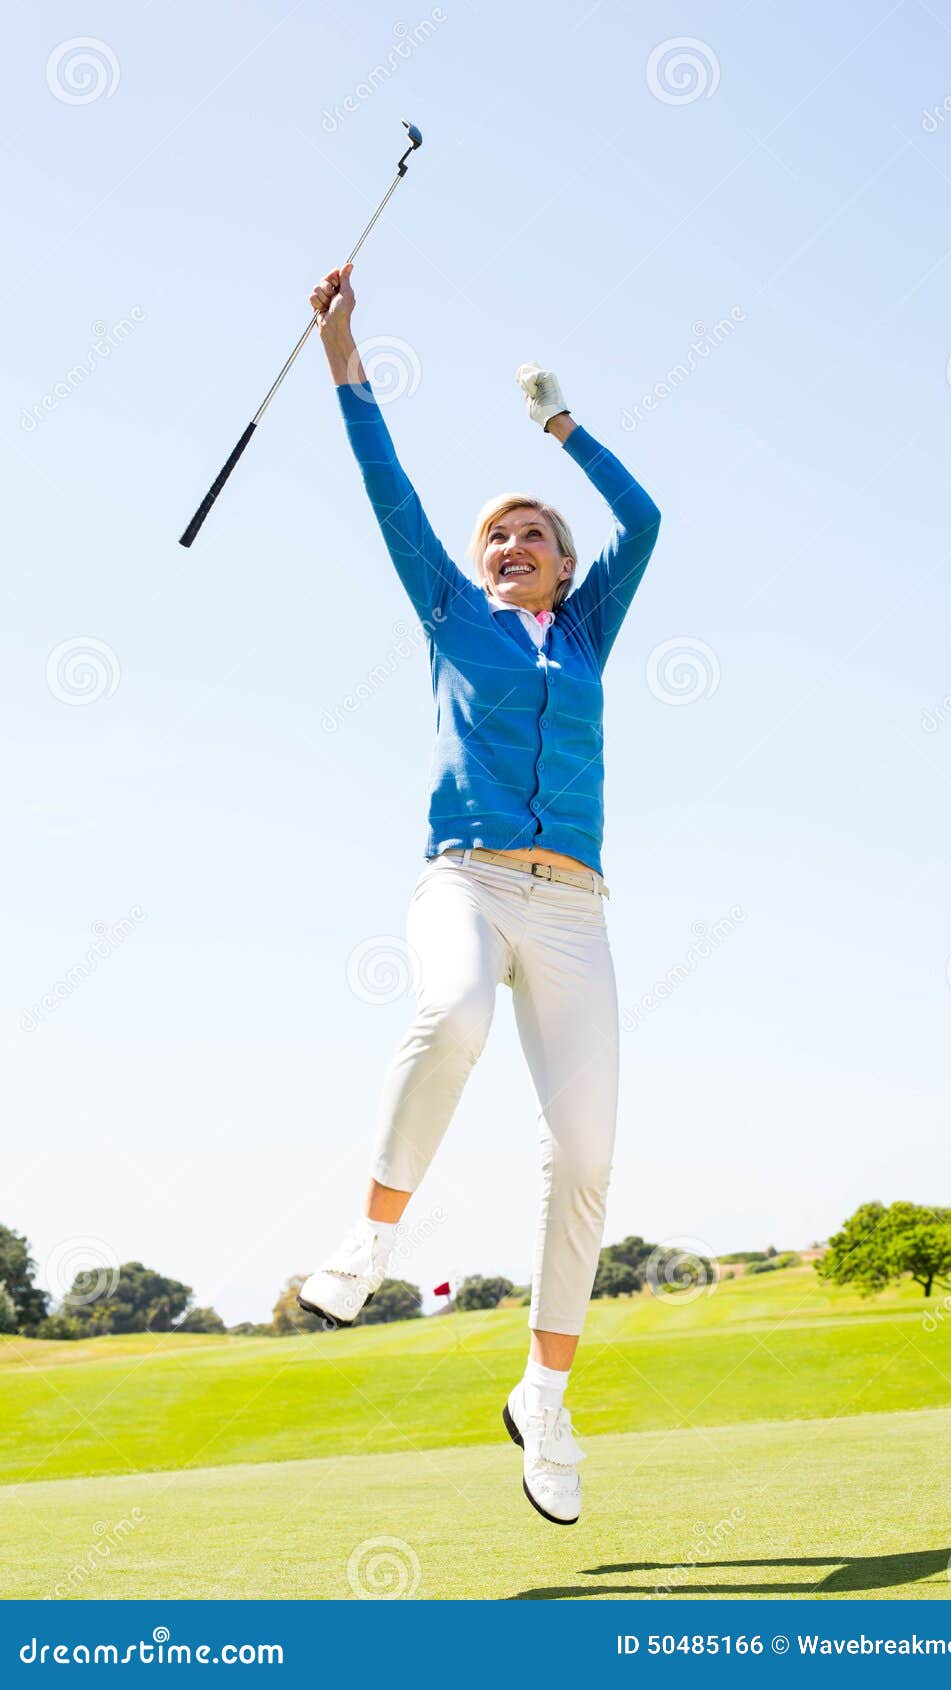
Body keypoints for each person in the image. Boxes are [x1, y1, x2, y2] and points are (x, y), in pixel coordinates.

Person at [298, 262, 661, 1524]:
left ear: (562, 565)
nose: (511, 545)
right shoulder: (451, 612)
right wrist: (344, 354)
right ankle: (370, 1239)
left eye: (533, 534)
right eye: (496, 534)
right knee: (449, 1013)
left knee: (587, 1157)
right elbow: (386, 485)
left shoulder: (589, 630)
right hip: (463, 879)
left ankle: (544, 1399)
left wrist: (561, 429)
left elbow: (645, 518)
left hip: (575, 909)